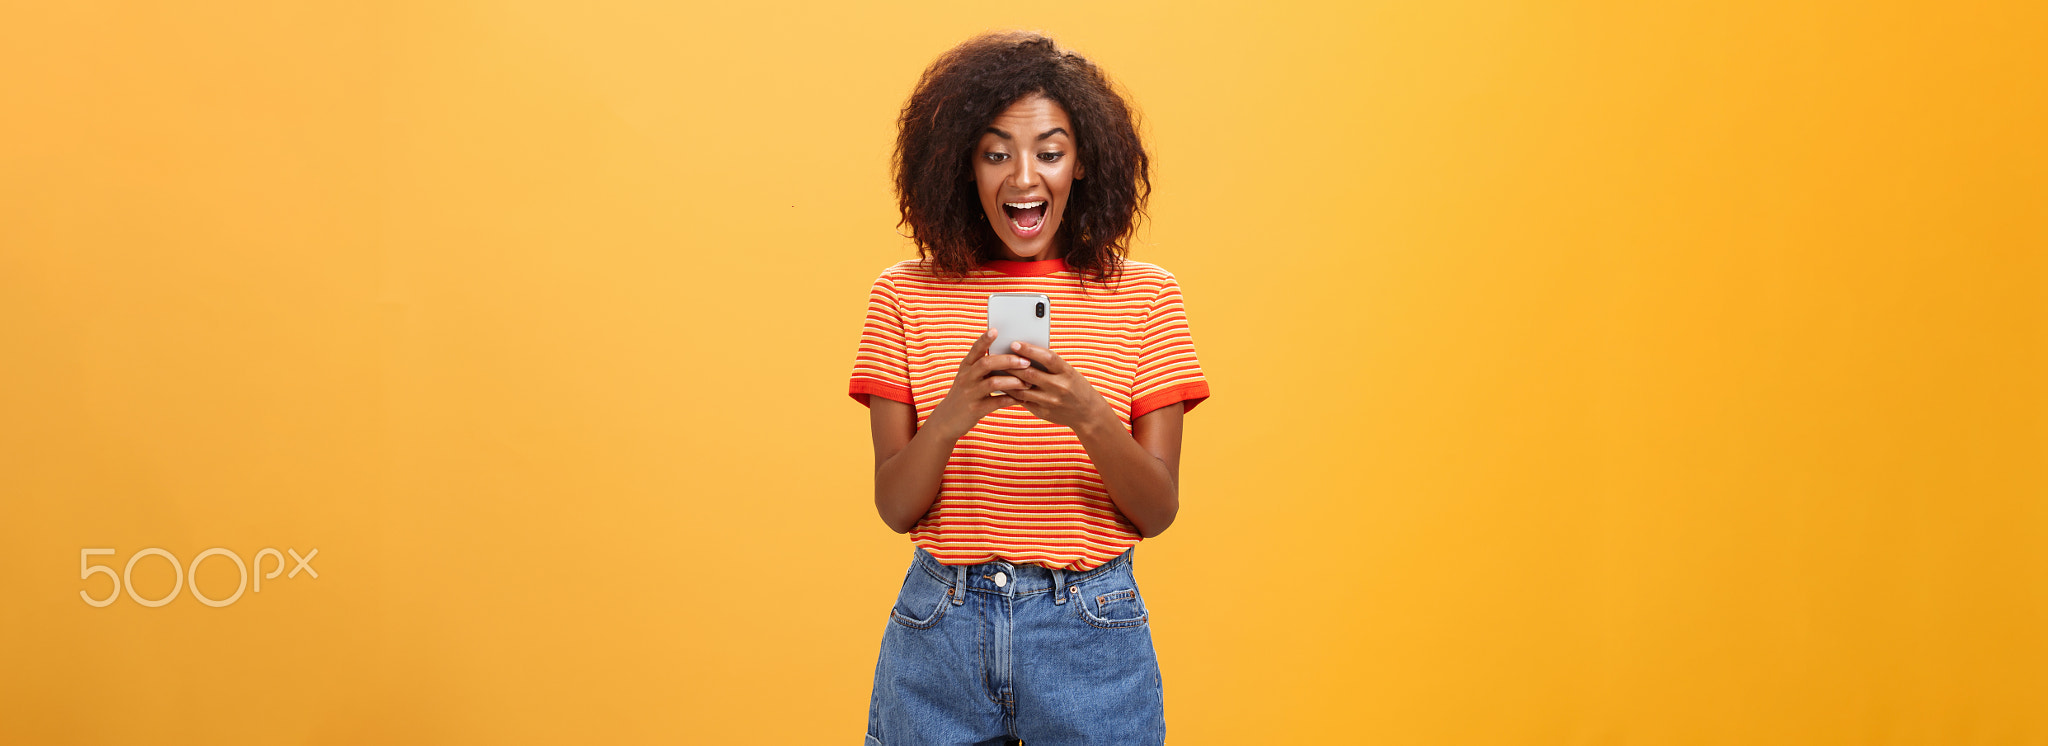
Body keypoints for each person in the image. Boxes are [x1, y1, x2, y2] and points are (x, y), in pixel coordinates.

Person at [849, 31, 1209, 746]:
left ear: (1082, 165)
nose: (1022, 179)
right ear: (963, 166)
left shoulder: (1147, 299)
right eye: (995, 154)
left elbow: (1158, 509)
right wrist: (955, 413)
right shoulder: (903, 296)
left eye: (1049, 152)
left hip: (1092, 633)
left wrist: (1087, 416)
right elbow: (895, 507)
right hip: (939, 631)